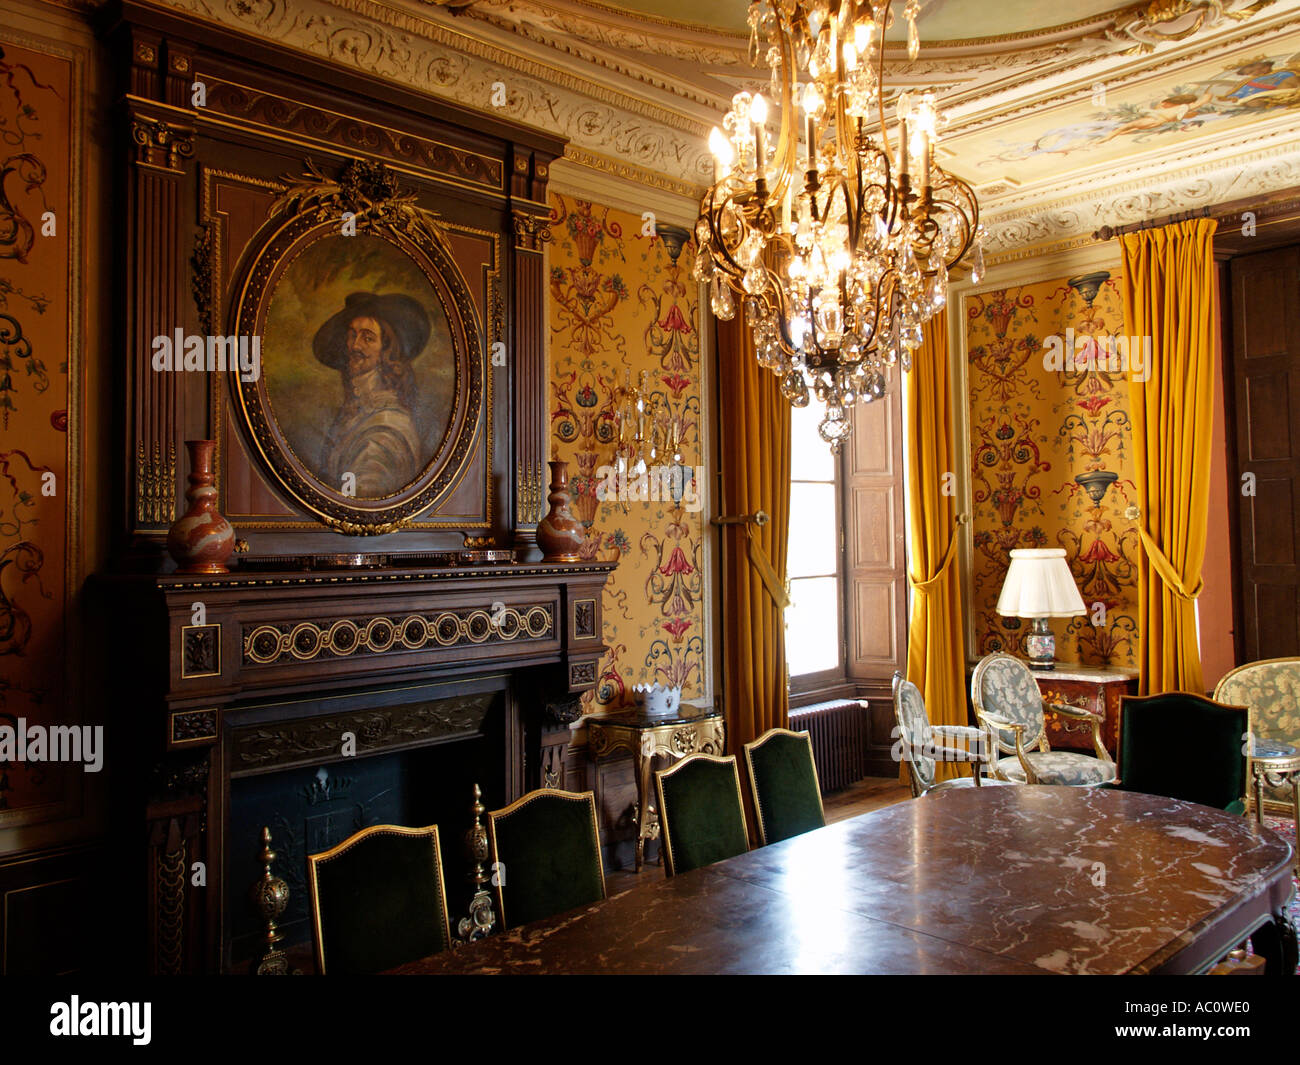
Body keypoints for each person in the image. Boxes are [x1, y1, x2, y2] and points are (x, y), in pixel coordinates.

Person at [313, 292, 431, 498]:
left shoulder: (385, 429)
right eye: (352, 335)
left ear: (387, 351)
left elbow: (365, 499)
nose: (355, 345)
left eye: (368, 338)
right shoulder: (359, 409)